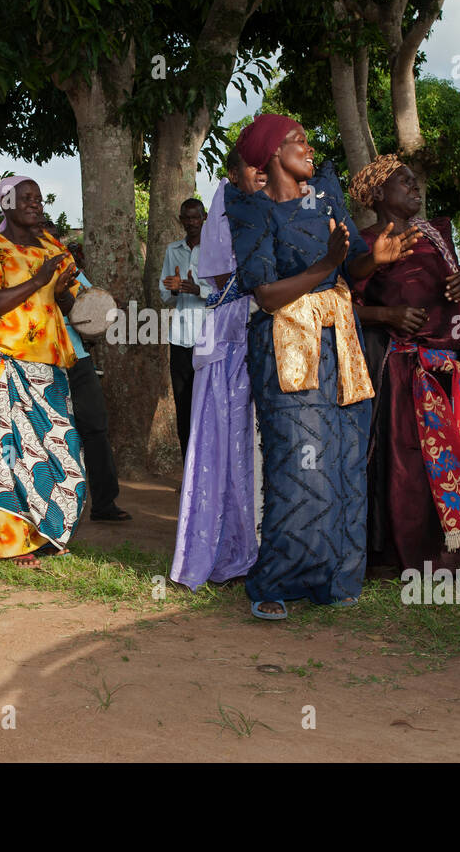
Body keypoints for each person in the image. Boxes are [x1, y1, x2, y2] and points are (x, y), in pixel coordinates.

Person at [225, 114, 416, 620]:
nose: (308, 148)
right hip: (289, 342)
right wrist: (319, 268)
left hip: (341, 338)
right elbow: (264, 293)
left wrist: (374, 259)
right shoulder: (252, 209)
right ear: (270, 154)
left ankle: (337, 578)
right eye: (296, 141)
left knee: (345, 458)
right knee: (298, 462)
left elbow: (351, 264)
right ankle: (276, 582)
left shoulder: (325, 195)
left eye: (308, 139)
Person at [349, 155, 460, 575]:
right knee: (409, 468)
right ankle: (407, 561)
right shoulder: (363, 244)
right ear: (378, 194)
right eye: (404, 182)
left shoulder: (434, 236)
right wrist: (386, 316)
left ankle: (459, 562)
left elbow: (455, 295)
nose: (416, 188)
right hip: (402, 373)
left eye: (416, 182)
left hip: (449, 371)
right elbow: (341, 307)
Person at [0, 175, 86, 568]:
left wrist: (60, 290)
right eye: (26, 198)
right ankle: (12, 542)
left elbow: (68, 302)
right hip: (8, 360)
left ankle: (46, 531)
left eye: (39, 198)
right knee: (11, 453)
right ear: (6, 204)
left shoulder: (53, 247)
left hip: (50, 362)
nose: (36, 204)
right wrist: (39, 280)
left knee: (58, 450)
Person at [170, 149, 264, 590]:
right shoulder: (226, 216)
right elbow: (224, 284)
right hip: (228, 334)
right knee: (227, 433)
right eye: (254, 165)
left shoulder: (282, 206)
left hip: (268, 328)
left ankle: (269, 542)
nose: (263, 173)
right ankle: (234, 543)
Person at [41, 217, 131, 523]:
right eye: (46, 240)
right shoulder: (23, 270)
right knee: (47, 434)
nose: (53, 246)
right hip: (41, 358)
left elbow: (99, 309)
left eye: (56, 241)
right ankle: (49, 507)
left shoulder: (72, 270)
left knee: (95, 427)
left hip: (77, 358)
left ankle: (105, 503)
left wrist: (71, 294)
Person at [159, 199, 211, 457]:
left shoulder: (215, 249)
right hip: (180, 339)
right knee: (184, 407)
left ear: (204, 217)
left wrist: (197, 290)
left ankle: (209, 471)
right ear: (180, 219)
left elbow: (226, 293)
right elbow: (164, 295)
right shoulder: (173, 250)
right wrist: (175, 289)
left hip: (209, 339)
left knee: (209, 406)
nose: (191, 223)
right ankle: (189, 472)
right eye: (186, 218)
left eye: (195, 218)